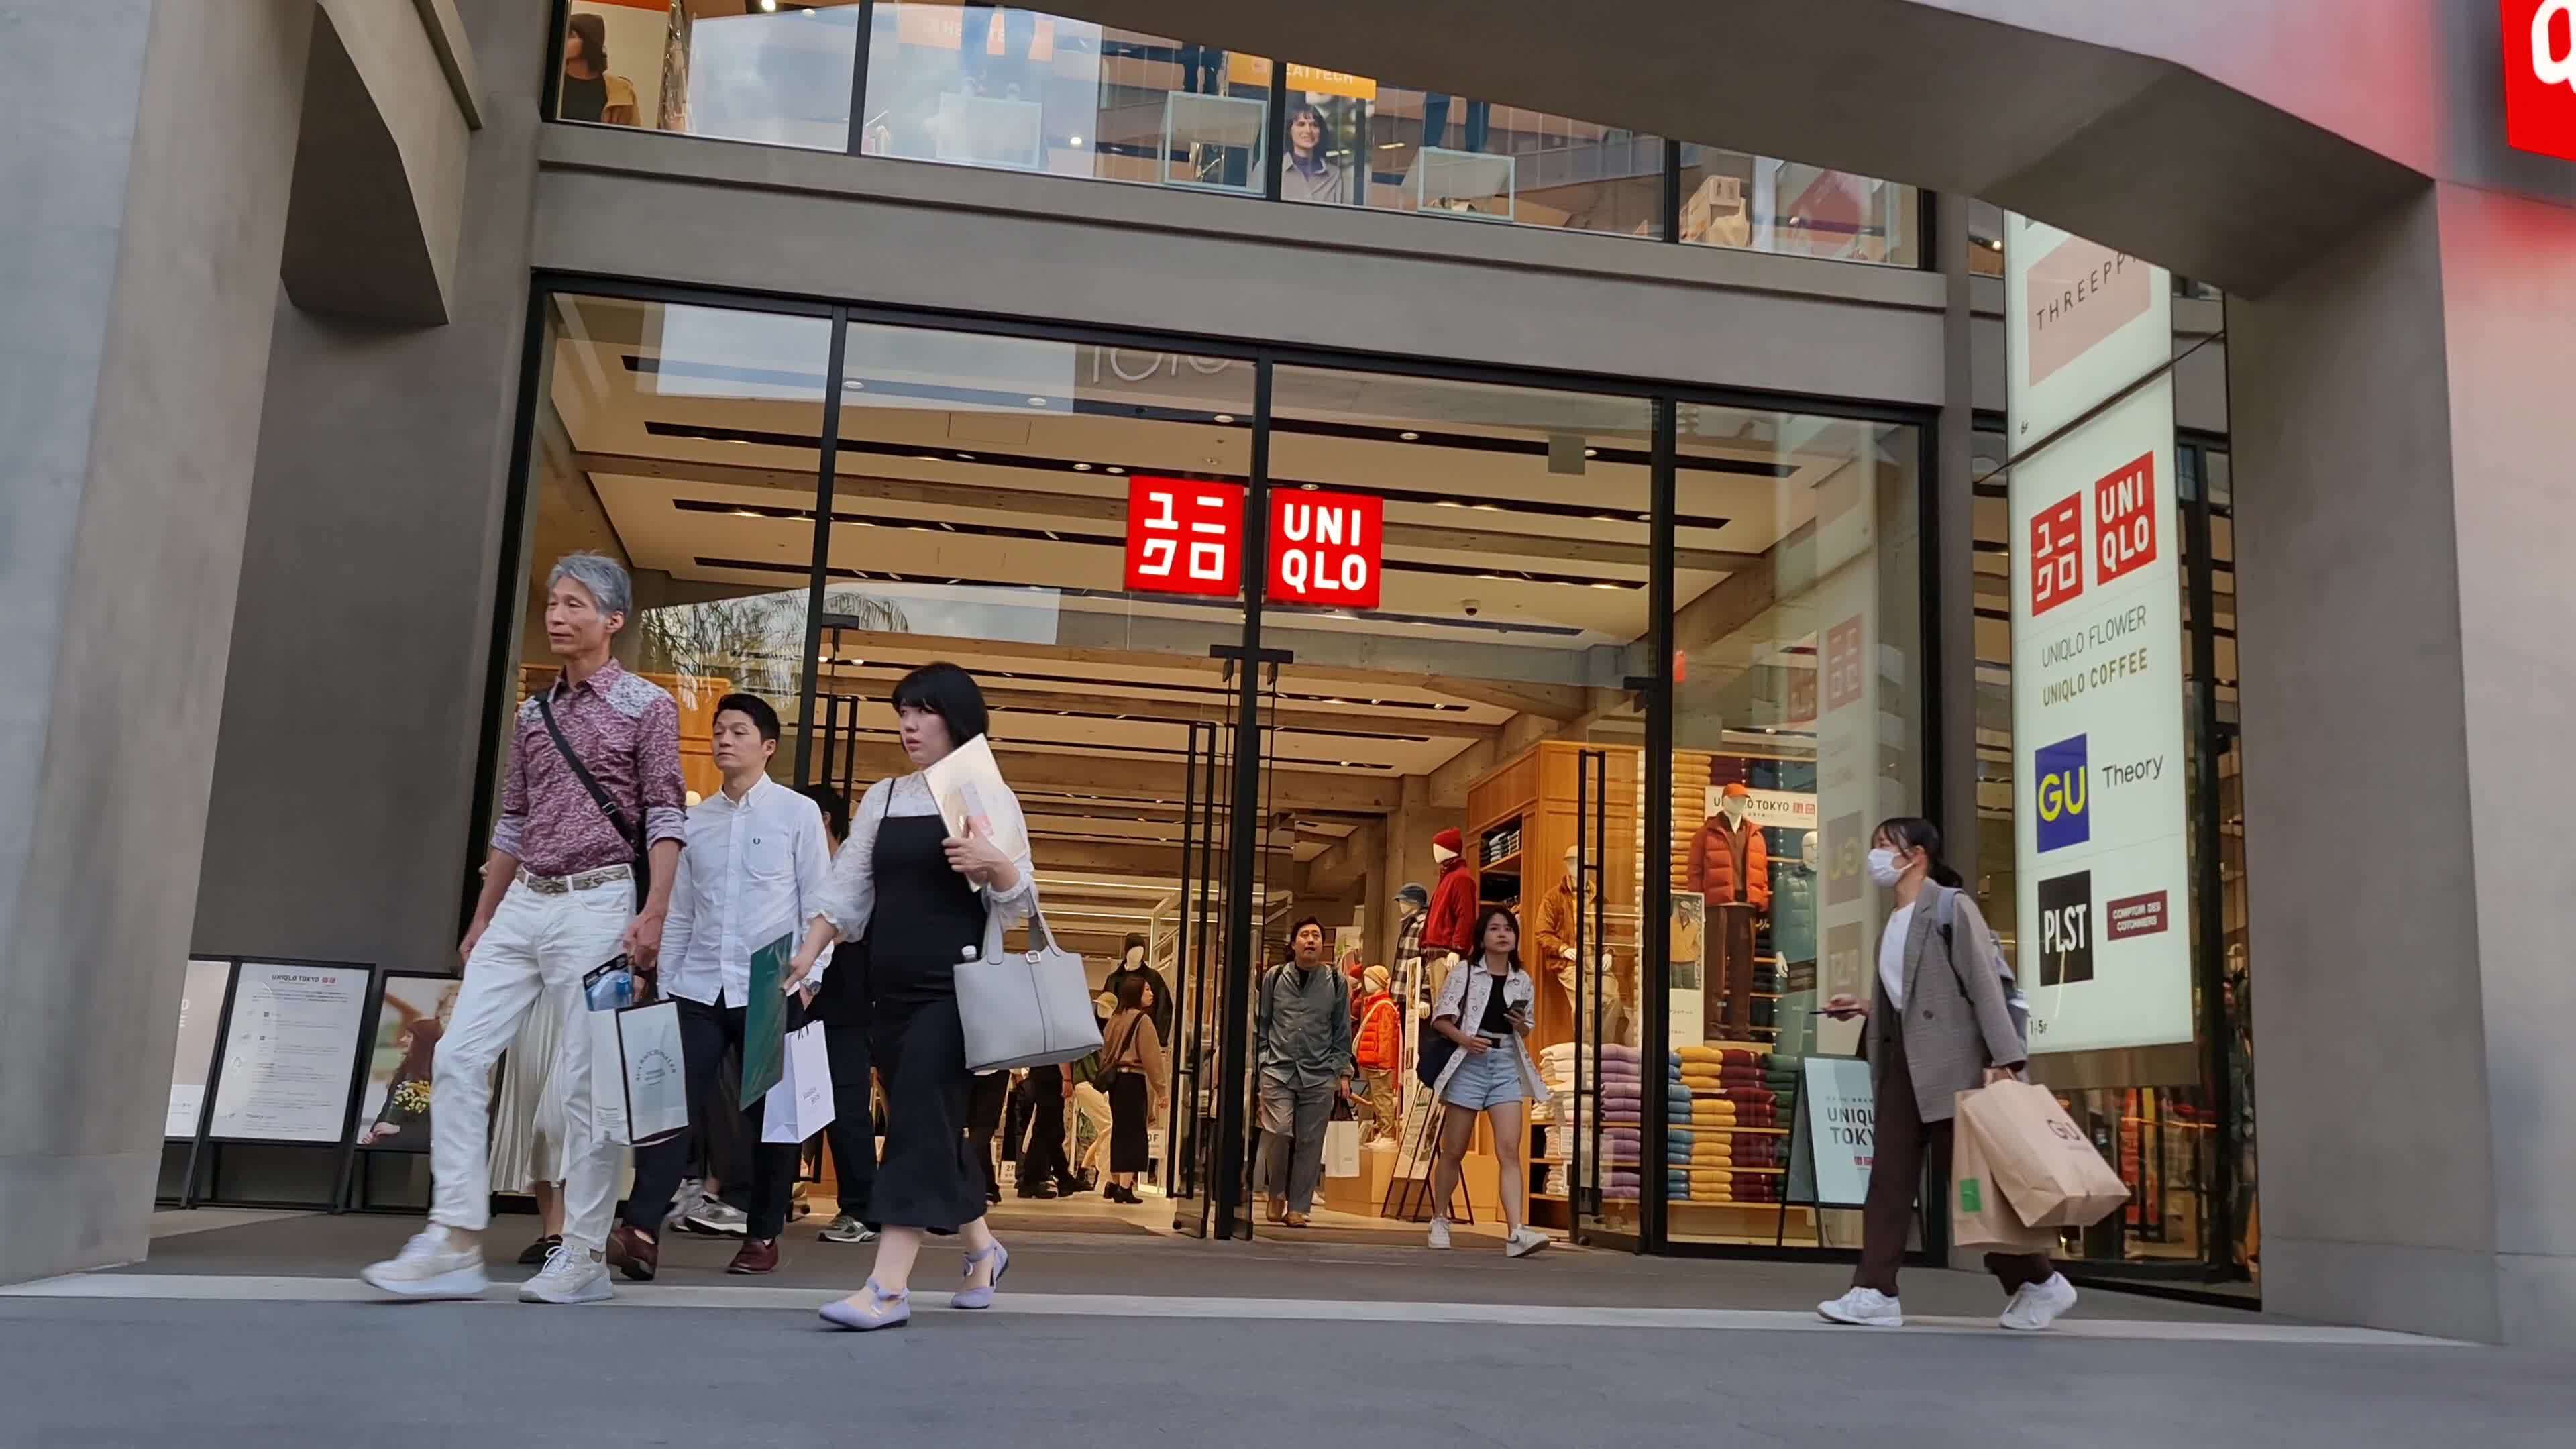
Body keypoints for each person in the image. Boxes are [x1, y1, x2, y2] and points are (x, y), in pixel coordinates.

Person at [362, 553, 683, 1305]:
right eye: (553, 602)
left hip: (600, 903)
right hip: (523, 904)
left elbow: (667, 814)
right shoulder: (534, 714)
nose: (557, 615)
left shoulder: (647, 706)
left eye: (574, 604)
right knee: (459, 1057)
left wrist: (655, 910)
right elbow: (513, 818)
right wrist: (480, 918)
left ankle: (582, 1254)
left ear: (613, 621)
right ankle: (455, 1238)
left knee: (584, 1086)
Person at [789, 663, 1036, 1332]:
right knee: (929, 1122)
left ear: (956, 718)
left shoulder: (986, 793)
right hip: (886, 991)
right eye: (902, 711)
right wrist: (809, 952)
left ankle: (887, 1288)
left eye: (923, 711)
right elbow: (846, 891)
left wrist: (994, 866)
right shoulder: (885, 797)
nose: (908, 724)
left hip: (956, 990)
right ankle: (983, 1250)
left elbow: (1020, 901)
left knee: (911, 1129)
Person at [1814, 817, 2080, 1332]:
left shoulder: (1951, 907)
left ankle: (2041, 1282)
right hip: (1905, 1066)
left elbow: (1985, 984)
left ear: (1916, 855)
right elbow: (1914, 998)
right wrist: (1868, 1008)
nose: (1875, 858)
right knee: (1889, 1180)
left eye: (1884, 847)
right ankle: (1874, 1291)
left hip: (1955, 1070)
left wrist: (2006, 1061)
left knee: (1969, 1185)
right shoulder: (1895, 920)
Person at [607, 694, 835, 1281]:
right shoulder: (695, 822)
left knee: (769, 1119)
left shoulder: (797, 814)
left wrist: (810, 977)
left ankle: (762, 1234)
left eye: (739, 731)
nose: (725, 740)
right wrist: (668, 980)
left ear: (768, 746)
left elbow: (822, 903)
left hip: (771, 985)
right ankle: (639, 1229)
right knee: (668, 1108)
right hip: (699, 986)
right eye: (719, 731)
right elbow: (681, 911)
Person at [1423, 906, 1552, 1258]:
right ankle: (1439, 1218)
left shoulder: (1522, 978)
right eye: (1494, 928)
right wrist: (1465, 1039)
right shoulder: (1465, 972)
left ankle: (1516, 1231)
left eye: (1508, 928)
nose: (1502, 934)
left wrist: (1519, 1023)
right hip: (1469, 1062)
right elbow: (1441, 1018)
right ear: (1482, 937)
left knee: (1509, 1149)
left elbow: (1528, 1027)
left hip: (1506, 1060)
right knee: (1454, 1149)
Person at [800, 782, 881, 1246]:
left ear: (824, 818)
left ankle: (862, 1208)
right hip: (800, 993)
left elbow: (853, 926)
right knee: (787, 1099)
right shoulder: (805, 865)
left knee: (844, 1104)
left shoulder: (852, 866)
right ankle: (761, 1195)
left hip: (845, 1002)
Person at [1253, 918, 1354, 1228]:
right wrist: (1262, 1060)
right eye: (1305, 935)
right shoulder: (1274, 977)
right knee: (1280, 1131)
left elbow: (1342, 1031)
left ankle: (1298, 1206)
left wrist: (1341, 1072)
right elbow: (1263, 1022)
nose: (1311, 940)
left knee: (1311, 1141)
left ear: (1322, 945)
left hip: (1319, 1072)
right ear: (1294, 943)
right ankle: (1277, 1192)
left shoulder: (1336, 982)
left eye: (1316, 936)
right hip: (1278, 1070)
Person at [1099, 975, 1169, 1204]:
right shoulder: (1143, 1020)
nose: (1151, 993)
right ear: (1136, 993)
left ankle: (1113, 1182)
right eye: (1147, 990)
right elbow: (1152, 1059)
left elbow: (1105, 1052)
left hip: (1116, 1082)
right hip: (1134, 1081)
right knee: (1134, 1134)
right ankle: (1124, 1188)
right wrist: (1162, 1090)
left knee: (1120, 1132)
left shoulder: (1115, 1019)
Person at [558, 13, 639, 126]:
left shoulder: (622, 91)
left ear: (589, 40)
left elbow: (633, 139)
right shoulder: (551, 83)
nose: (563, 40)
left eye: (571, 35)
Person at [1352, 966, 1403, 1144]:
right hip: (1373, 1062)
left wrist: (1383, 1064)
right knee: (1379, 1098)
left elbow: (1386, 1038)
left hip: (1380, 1063)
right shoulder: (1374, 1004)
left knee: (1383, 1098)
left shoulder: (1384, 1006)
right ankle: (1383, 1131)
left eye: (1371, 979)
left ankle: (1387, 1133)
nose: (1367, 983)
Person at [1281, 105, 1346, 204]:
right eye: (1301, 124)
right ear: (1289, 130)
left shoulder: (1334, 174)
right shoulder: (1271, 168)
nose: (1308, 130)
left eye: (1314, 125)